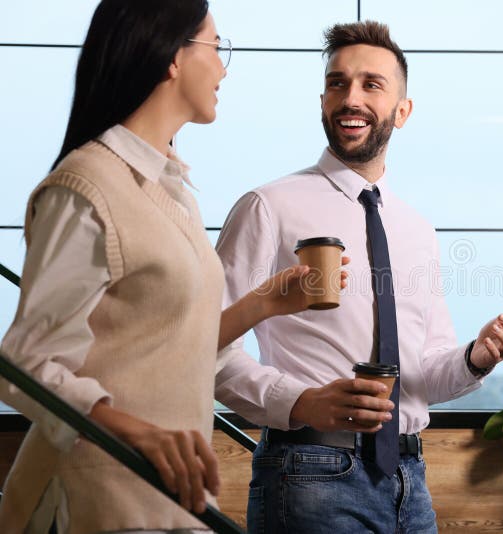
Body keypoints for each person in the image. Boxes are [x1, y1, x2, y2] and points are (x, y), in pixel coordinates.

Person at [0, 1, 347, 532]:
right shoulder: (85, 188)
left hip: (165, 499)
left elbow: (168, 350)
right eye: (216, 46)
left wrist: (262, 305)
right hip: (99, 499)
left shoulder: (170, 188)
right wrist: (136, 431)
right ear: (172, 57)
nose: (224, 67)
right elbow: (27, 363)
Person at [214, 21, 503, 533]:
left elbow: (424, 376)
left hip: (411, 481)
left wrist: (477, 356)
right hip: (309, 473)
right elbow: (207, 350)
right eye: (337, 83)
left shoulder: (416, 230)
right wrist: (302, 403)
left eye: (371, 85)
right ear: (323, 101)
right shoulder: (267, 207)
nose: (351, 98)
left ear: (402, 111)